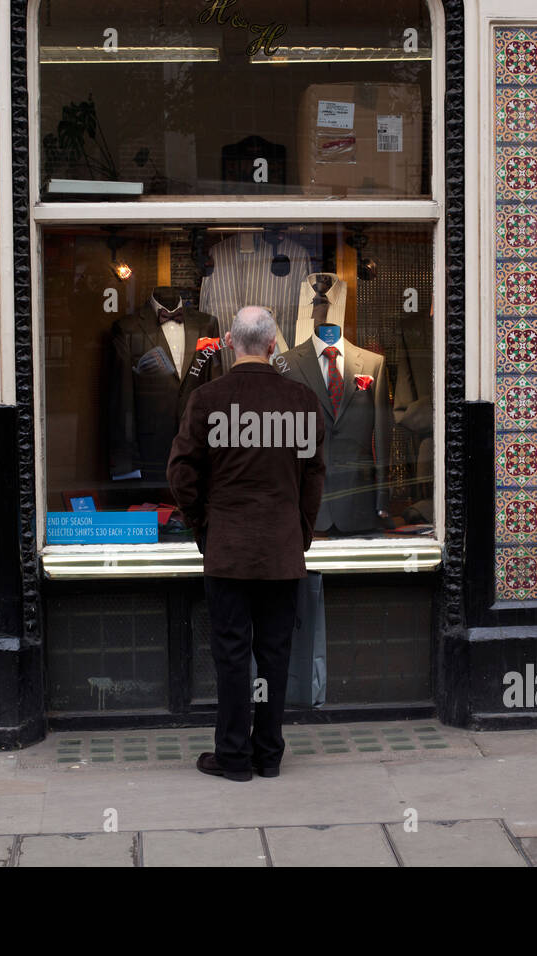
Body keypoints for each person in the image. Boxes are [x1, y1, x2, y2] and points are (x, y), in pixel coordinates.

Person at [168, 305, 326, 781]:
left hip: (228, 550)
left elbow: (181, 474)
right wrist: (300, 531)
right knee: (276, 653)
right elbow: (314, 475)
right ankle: (269, 754)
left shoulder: (208, 399)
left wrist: (203, 526)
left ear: (231, 343)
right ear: (274, 345)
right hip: (281, 551)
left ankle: (233, 756)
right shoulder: (300, 400)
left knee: (232, 654)